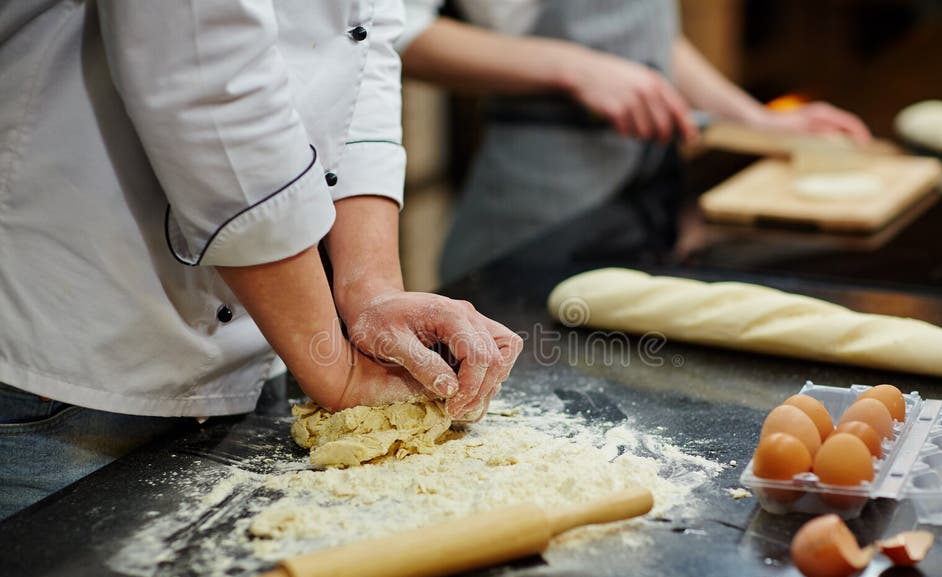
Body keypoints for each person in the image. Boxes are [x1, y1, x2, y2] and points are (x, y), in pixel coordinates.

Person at [0, 1, 521, 519]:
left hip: (270, 337)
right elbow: (207, 80)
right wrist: (333, 368)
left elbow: (359, 43)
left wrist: (372, 289)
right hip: (70, 359)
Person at [398, 0, 872, 282]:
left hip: (648, 189)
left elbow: (644, 35)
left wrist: (754, 120)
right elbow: (394, 29)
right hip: (543, 204)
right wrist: (574, 67)